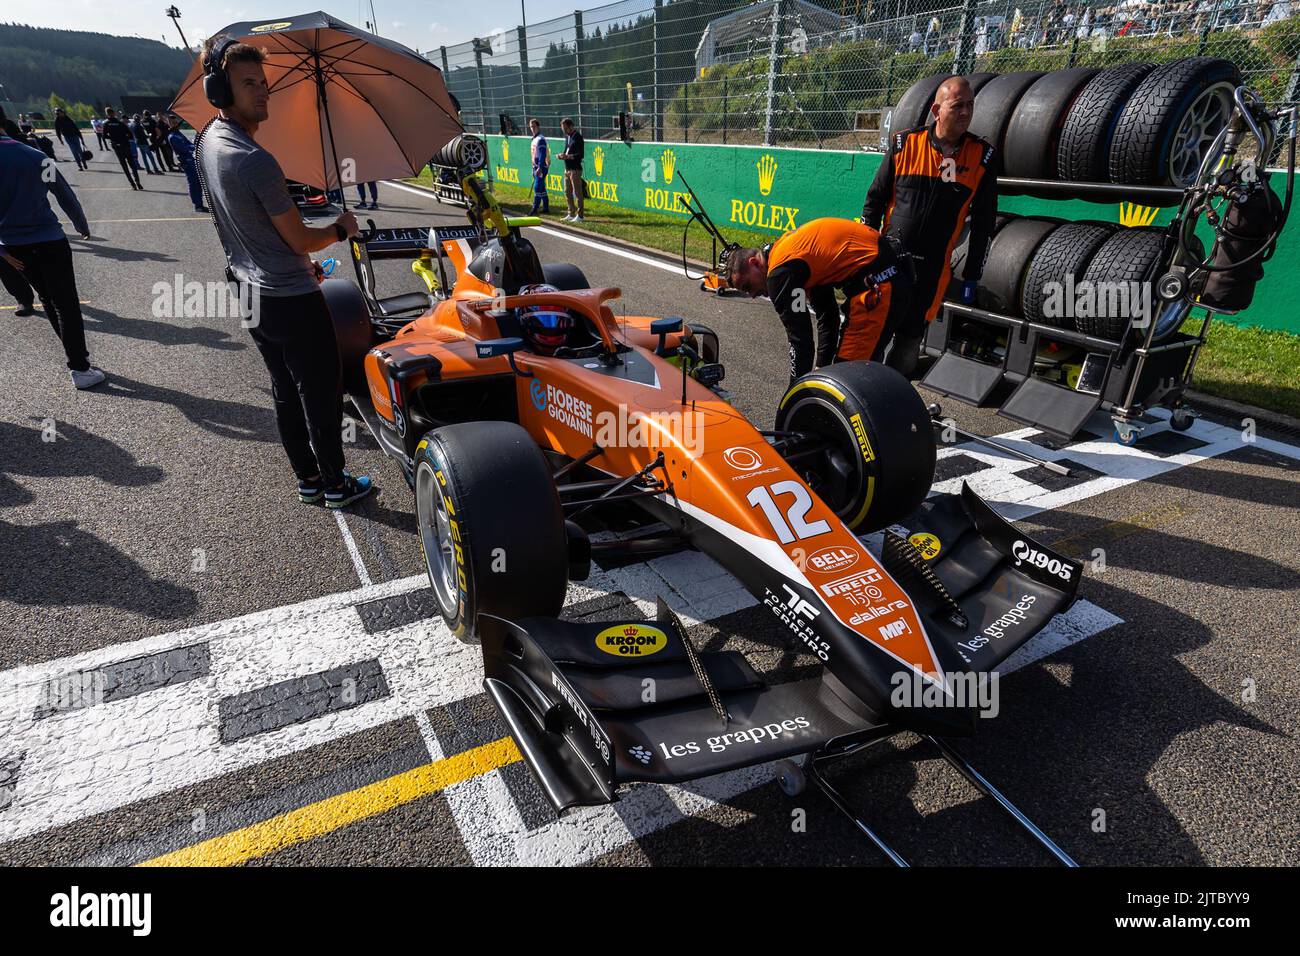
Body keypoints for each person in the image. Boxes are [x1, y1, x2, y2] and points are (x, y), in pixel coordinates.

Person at [196, 34, 374, 509]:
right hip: (289, 298)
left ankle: (308, 478)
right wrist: (340, 228)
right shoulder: (254, 160)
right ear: (219, 91)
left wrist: (293, 258)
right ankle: (335, 483)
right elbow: (299, 238)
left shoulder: (207, 141)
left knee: (284, 387)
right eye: (248, 83)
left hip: (250, 288)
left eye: (263, 83)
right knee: (320, 392)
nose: (261, 92)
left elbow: (254, 229)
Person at [861, 75, 998, 377]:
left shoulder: (982, 157)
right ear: (937, 111)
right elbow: (873, 203)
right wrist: (866, 255)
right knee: (871, 341)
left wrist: (973, 274)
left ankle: (892, 405)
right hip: (889, 263)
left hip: (933, 272)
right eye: (957, 106)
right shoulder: (903, 144)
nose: (965, 113)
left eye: (970, 106)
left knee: (908, 347)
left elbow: (985, 224)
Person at [726, 218, 914, 388]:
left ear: (754, 263)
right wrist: (821, 367)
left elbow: (800, 341)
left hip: (878, 288)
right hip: (889, 279)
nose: (752, 295)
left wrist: (795, 390)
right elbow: (827, 317)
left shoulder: (779, 275)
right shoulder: (790, 258)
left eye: (748, 286)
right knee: (849, 376)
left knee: (846, 383)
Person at [0, 123, 105, 388]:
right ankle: (79, 366)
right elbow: (63, 193)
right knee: (66, 304)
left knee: (47, 297)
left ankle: (77, 360)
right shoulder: (34, 155)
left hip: (14, 246)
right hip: (48, 240)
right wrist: (81, 224)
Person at [166, 115, 205, 212]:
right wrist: (194, 147)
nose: (176, 124)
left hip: (191, 160)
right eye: (174, 123)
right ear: (170, 124)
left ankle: (199, 203)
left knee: (197, 183)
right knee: (193, 183)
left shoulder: (178, 133)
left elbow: (188, 144)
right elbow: (185, 149)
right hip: (187, 161)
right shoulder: (173, 136)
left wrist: (195, 145)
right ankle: (198, 205)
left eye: (176, 122)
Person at [102, 108, 143, 190]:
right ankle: (138, 182)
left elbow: (104, 136)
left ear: (107, 114)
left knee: (124, 166)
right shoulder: (120, 123)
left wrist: (112, 138)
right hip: (126, 145)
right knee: (132, 165)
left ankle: (132, 184)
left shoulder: (106, 123)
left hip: (117, 147)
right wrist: (125, 138)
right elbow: (130, 134)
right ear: (113, 113)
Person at [558, 117, 585, 222]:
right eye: (562, 128)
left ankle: (580, 215)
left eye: (565, 128)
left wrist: (567, 156)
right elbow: (567, 151)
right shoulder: (567, 137)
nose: (563, 130)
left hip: (575, 169)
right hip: (567, 168)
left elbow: (580, 155)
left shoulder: (578, 137)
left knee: (578, 193)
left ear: (571, 127)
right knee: (567, 191)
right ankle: (570, 213)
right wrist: (562, 155)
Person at [528, 118, 550, 215]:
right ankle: (546, 207)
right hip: (536, 167)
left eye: (534, 126)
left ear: (538, 127)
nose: (532, 128)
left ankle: (534, 209)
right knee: (541, 188)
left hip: (540, 168)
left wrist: (540, 168)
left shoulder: (540, 139)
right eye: (531, 127)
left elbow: (542, 155)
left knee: (537, 188)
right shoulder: (534, 139)